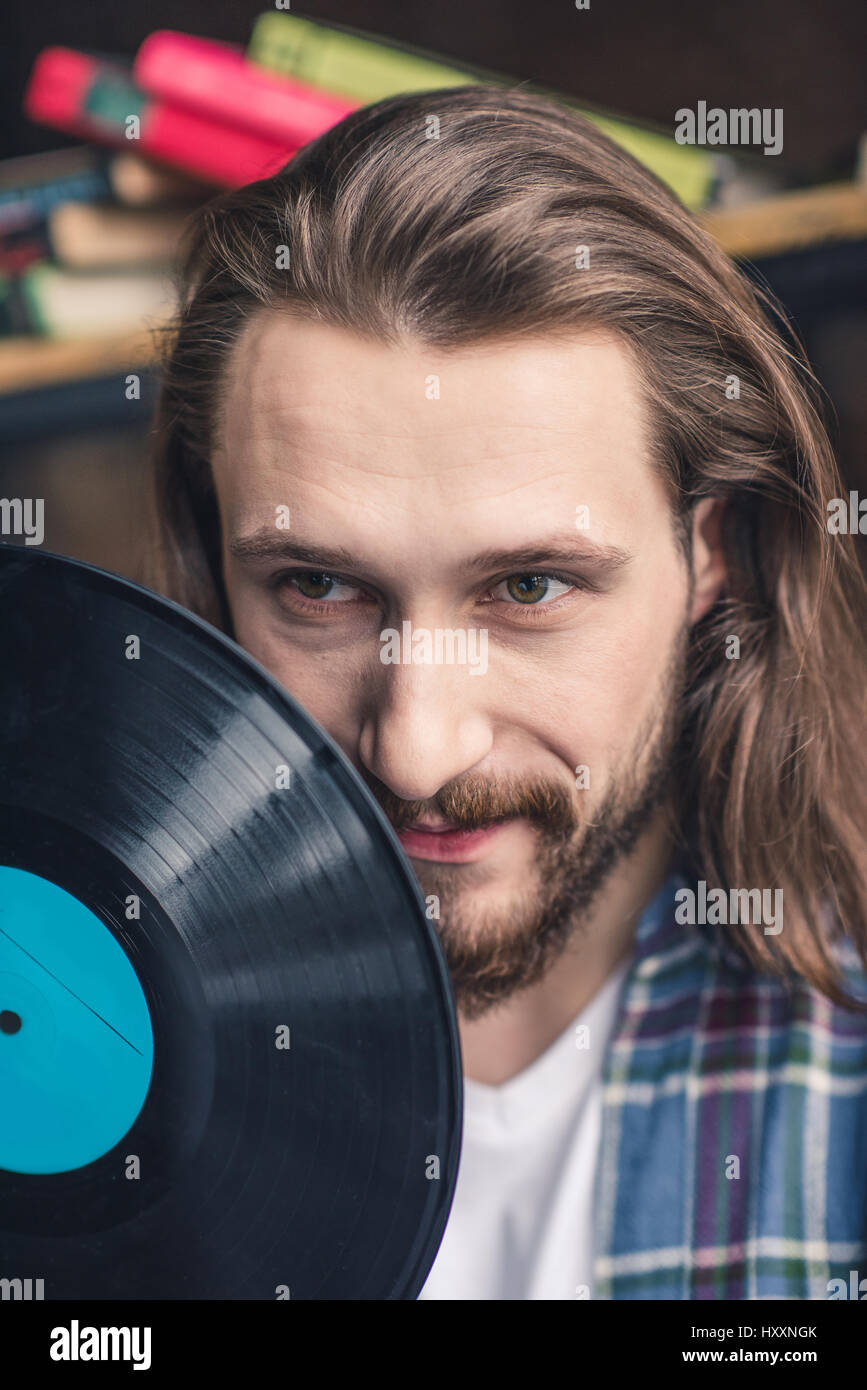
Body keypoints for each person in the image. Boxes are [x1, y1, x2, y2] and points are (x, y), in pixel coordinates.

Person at [145, 86, 867, 1299]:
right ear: (214, 566)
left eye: (530, 586)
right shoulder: (80, 1057)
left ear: (711, 553)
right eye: (318, 586)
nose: (417, 751)